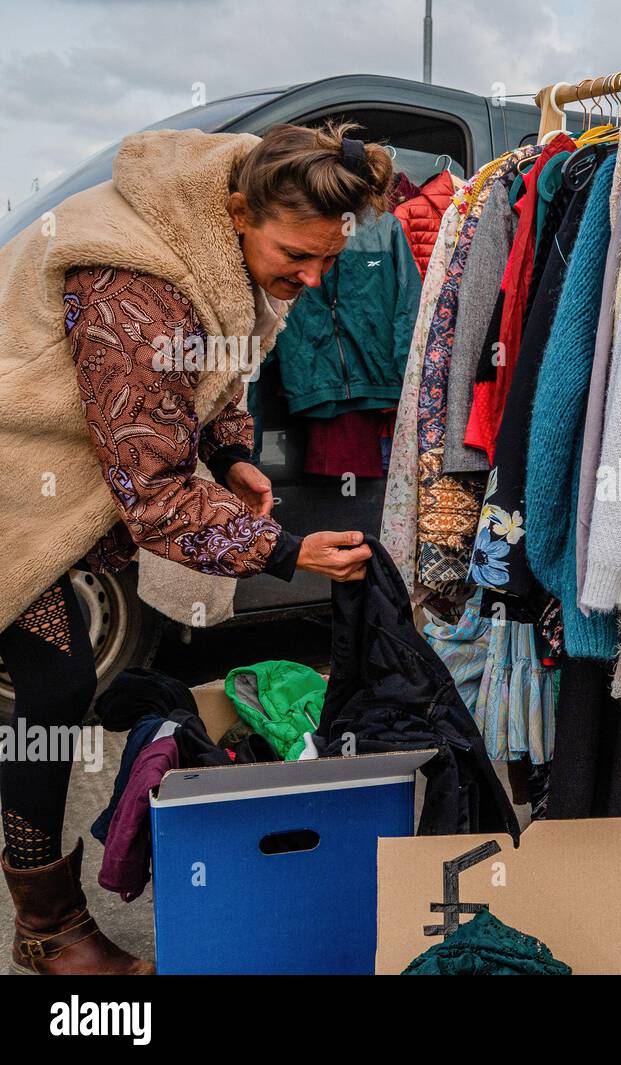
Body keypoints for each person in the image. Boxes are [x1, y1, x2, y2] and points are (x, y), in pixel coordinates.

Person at [0, 121, 388, 974]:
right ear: (239, 210)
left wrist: (233, 453)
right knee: (59, 684)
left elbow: (215, 370)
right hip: (13, 490)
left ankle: (47, 922)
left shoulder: (216, 246)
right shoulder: (134, 287)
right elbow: (153, 494)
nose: (314, 279)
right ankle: (49, 928)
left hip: (39, 484)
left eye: (329, 259)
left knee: (52, 682)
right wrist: (288, 551)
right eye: (298, 255)